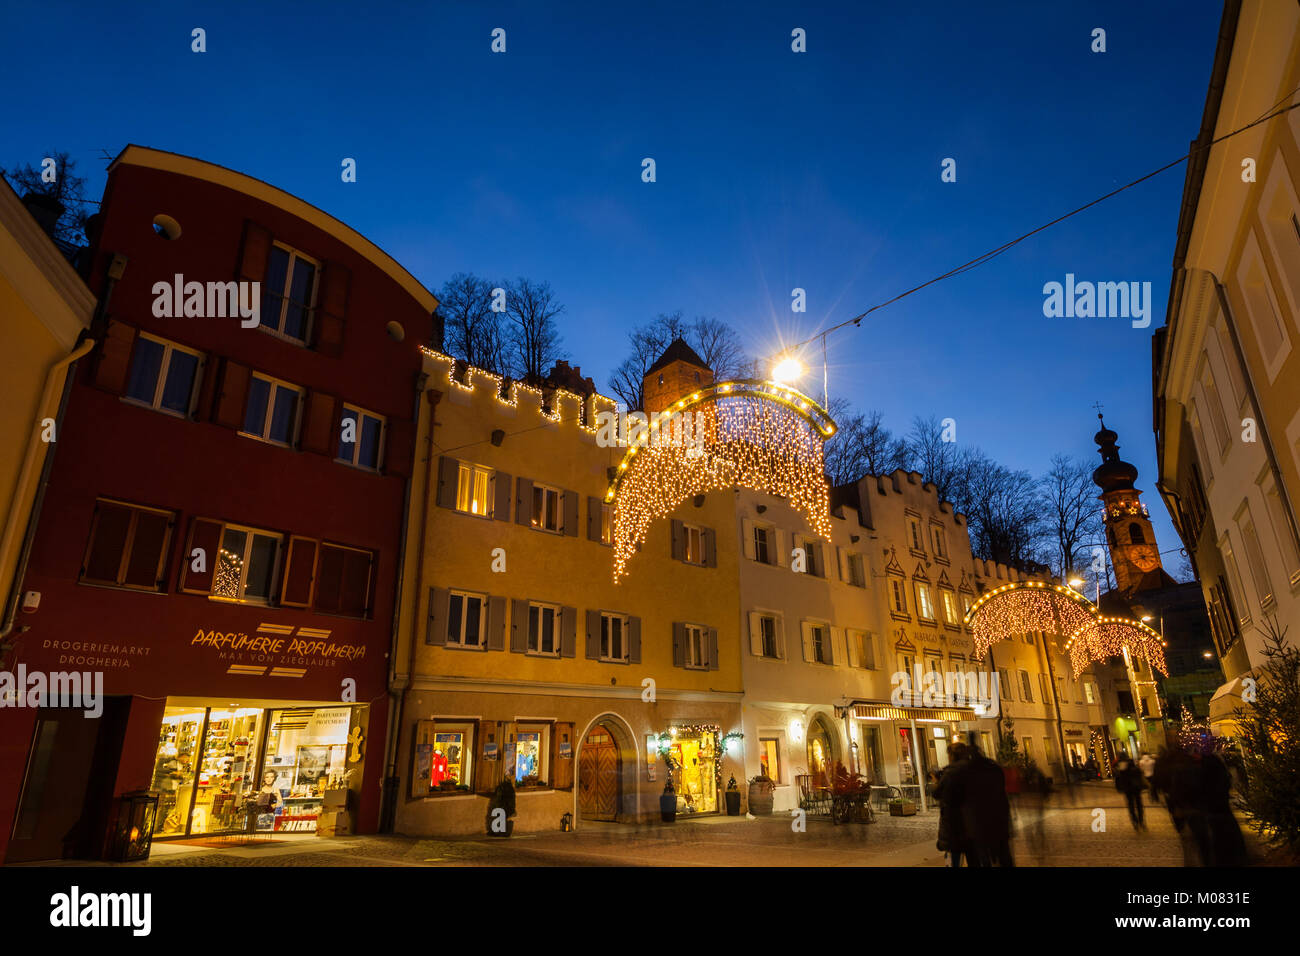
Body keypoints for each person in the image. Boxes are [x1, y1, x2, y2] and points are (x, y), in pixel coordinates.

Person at [944, 744, 1014, 866]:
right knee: (1002, 857)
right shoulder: (993, 768)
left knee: (981, 858)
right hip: (997, 822)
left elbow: (948, 798)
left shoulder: (962, 772)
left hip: (975, 826)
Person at [934, 743, 971, 866]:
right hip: (973, 821)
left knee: (953, 854)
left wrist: (936, 782)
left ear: (952, 755)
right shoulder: (973, 769)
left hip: (954, 821)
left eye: (949, 754)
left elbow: (937, 793)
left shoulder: (950, 772)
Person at [1113, 754, 1146, 830]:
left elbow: (1118, 780)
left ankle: (1134, 821)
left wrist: (1120, 788)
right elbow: (1139, 774)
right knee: (1139, 804)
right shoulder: (1132, 765)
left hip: (1127, 789)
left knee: (1131, 805)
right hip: (1136, 788)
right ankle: (1141, 820)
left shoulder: (1119, 769)